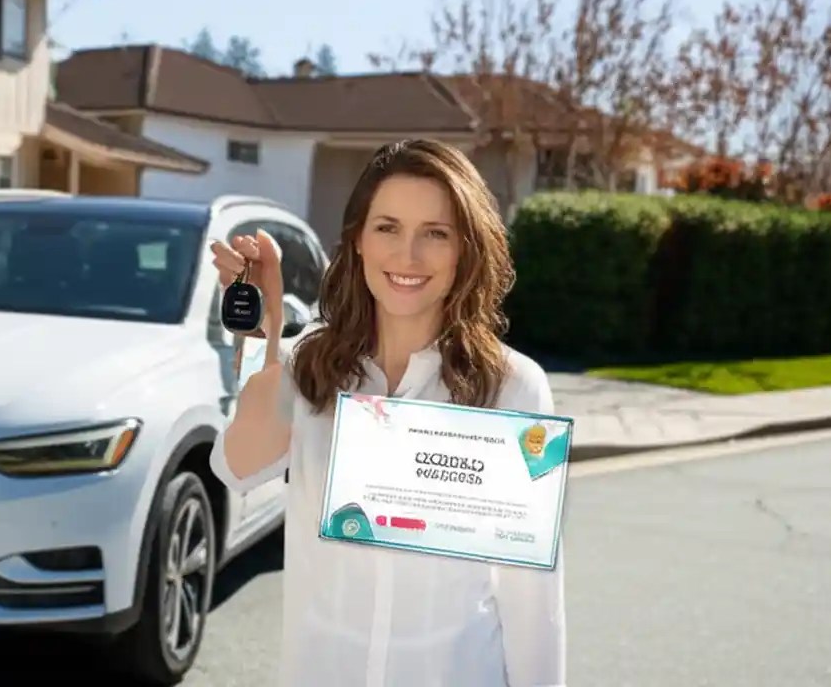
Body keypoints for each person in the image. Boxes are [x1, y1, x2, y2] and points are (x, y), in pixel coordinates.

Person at [208, 139, 566, 687]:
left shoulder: (515, 386)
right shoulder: (308, 364)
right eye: (388, 228)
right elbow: (240, 466)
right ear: (356, 242)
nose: (409, 256)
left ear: (466, 250)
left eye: (436, 233)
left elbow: (532, 594)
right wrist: (265, 331)